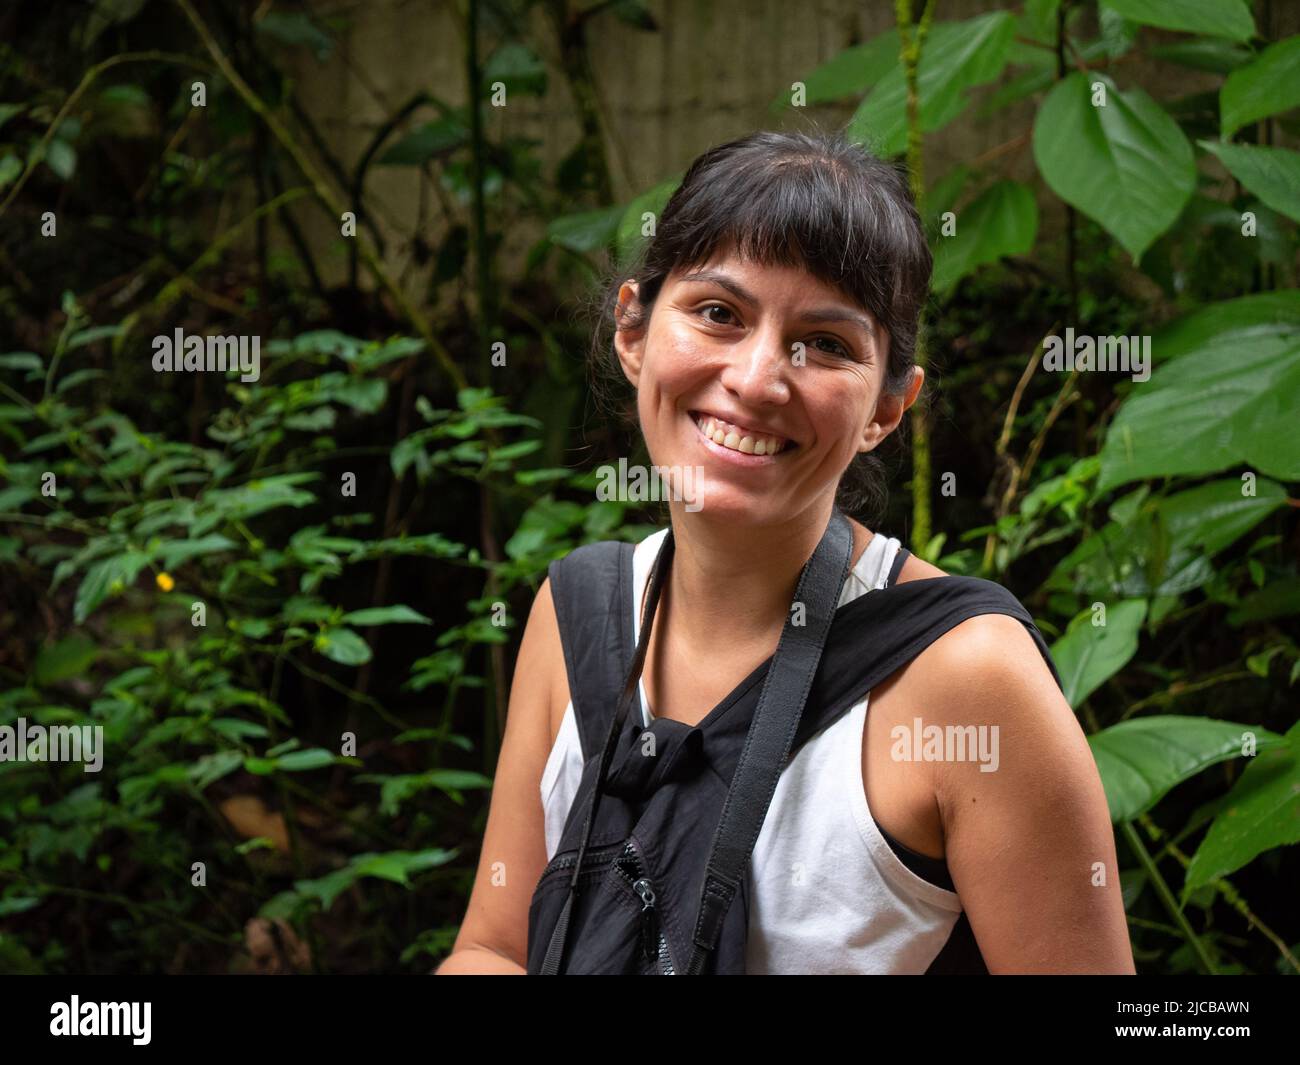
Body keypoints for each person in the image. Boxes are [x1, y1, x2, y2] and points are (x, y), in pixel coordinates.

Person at [436, 130, 1135, 975]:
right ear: (633, 331)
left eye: (827, 344)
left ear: (887, 407)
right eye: (718, 313)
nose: (760, 377)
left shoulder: (965, 677)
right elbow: (494, 948)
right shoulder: (579, 613)